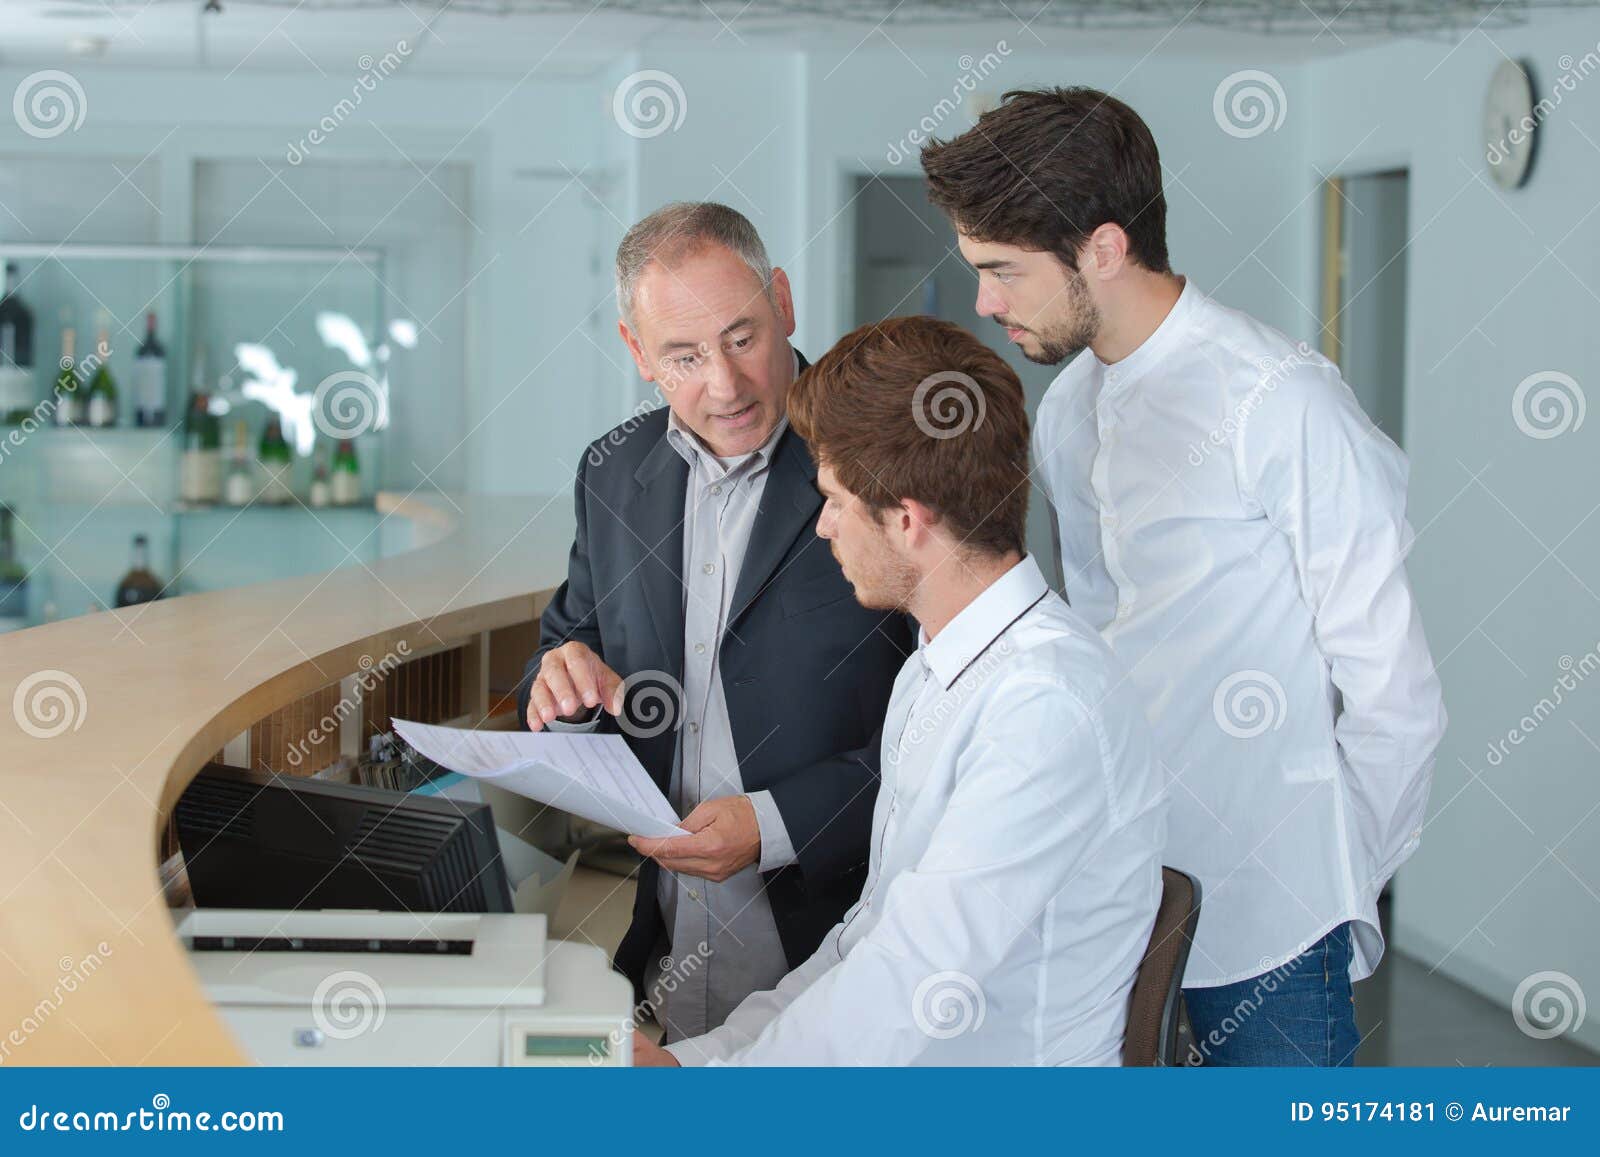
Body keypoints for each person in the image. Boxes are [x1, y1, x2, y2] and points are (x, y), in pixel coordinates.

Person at [921, 86, 1448, 1066]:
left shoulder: (1281, 402)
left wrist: (1327, 883)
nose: (985, 303)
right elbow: (1101, 650)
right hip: (1122, 895)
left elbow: (1395, 691)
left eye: (1002, 271)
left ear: (1105, 248)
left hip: (1277, 921)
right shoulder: (1071, 405)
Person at [633, 315, 1166, 1066]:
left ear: (908, 521)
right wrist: (695, 1062)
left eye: (837, 502)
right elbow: (866, 940)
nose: (823, 528)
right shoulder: (933, 668)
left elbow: (908, 982)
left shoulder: (1044, 707)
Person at [517, 202, 913, 1042]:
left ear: (783, 302)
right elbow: (566, 644)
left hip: (841, 966)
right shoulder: (612, 470)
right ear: (636, 353)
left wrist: (775, 824)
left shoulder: (880, 456)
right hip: (663, 963)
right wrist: (563, 682)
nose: (724, 384)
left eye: (742, 337)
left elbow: (954, 731)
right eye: (685, 356)